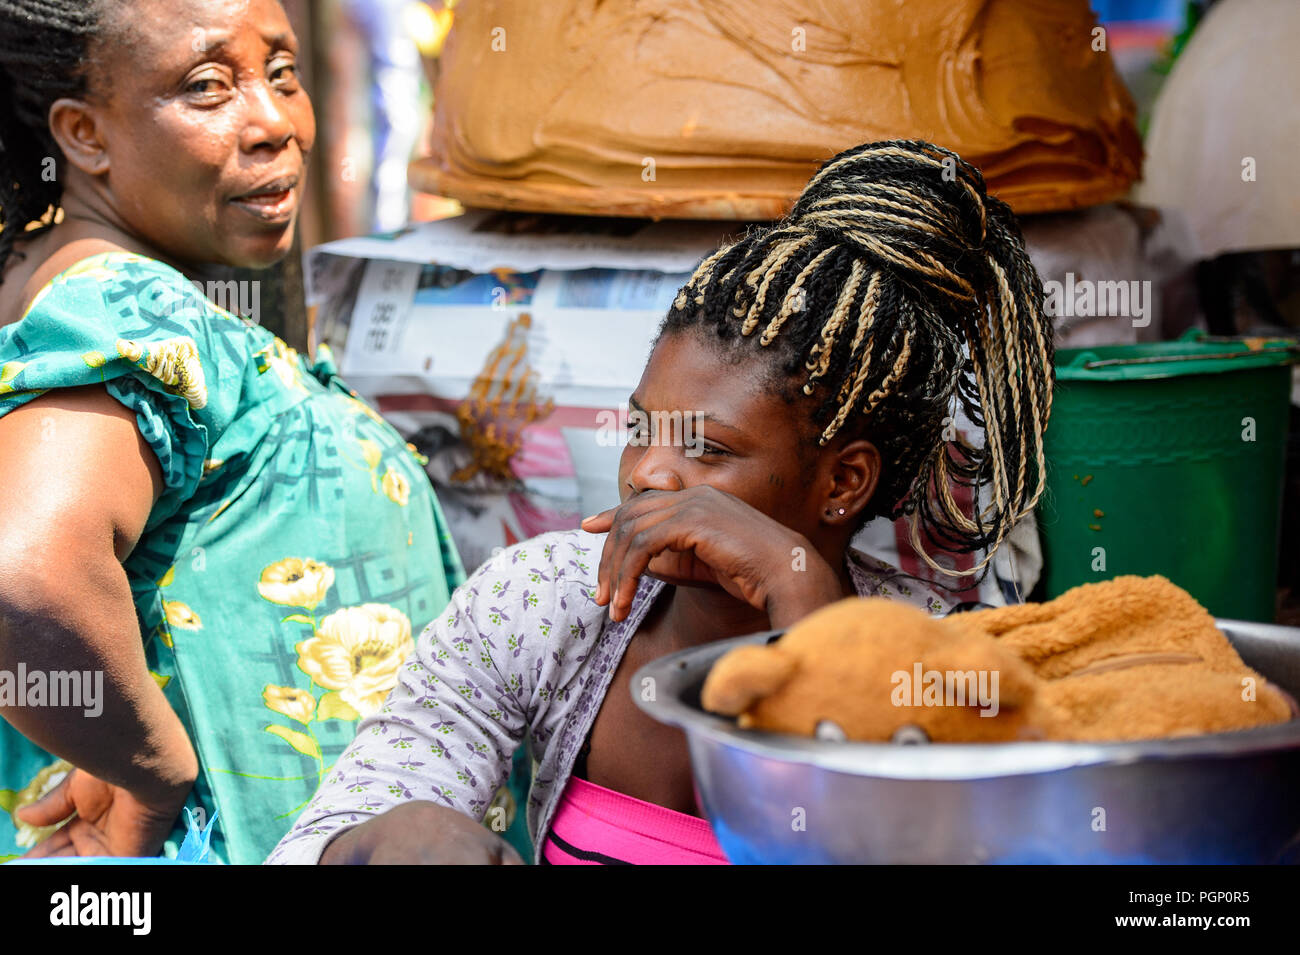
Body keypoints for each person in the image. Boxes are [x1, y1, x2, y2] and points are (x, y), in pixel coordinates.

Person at [269, 139, 1055, 865]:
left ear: (843, 482)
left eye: (707, 450)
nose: (649, 471)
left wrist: (802, 596)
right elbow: (336, 822)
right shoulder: (546, 601)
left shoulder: (932, 662)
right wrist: (380, 841)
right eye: (642, 427)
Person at [0, 0, 463, 864]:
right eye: (208, 86)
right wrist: (154, 774)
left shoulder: (52, 279)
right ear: (84, 134)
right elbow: (23, 577)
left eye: (283, 73)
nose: (274, 123)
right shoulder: (127, 305)